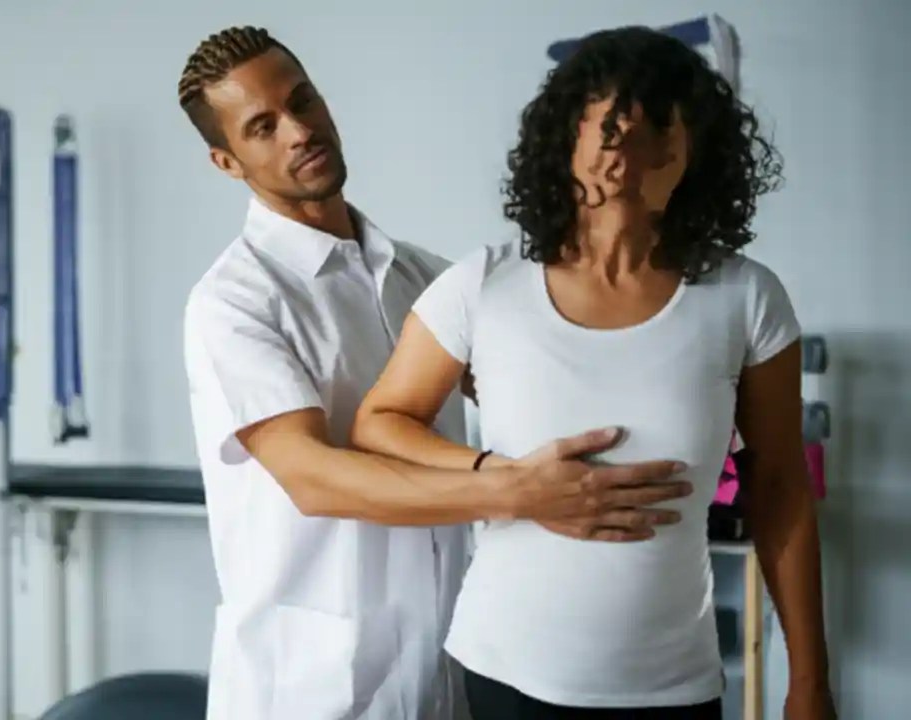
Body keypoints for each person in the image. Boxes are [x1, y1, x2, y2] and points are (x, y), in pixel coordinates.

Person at [177, 26, 696, 720]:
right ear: (226, 160)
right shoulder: (234, 302)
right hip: (312, 686)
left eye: (304, 101)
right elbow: (312, 477)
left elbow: (542, 390)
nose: (299, 131)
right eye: (263, 127)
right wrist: (513, 492)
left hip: (447, 667)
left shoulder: (426, 276)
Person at [350, 25, 835, 720]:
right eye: (610, 127)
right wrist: (505, 480)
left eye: (656, 128)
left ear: (696, 151)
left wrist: (809, 683)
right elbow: (380, 421)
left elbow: (781, 488)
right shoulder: (485, 282)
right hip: (504, 672)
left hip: (674, 684)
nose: (627, 153)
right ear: (566, 137)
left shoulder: (748, 296)